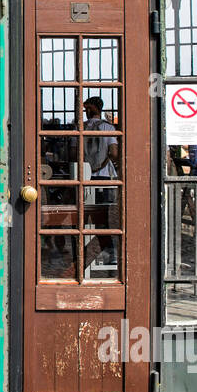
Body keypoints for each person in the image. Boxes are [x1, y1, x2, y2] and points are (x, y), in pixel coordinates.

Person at [82, 96, 120, 270]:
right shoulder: (108, 127)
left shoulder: (81, 127)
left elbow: (74, 152)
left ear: (94, 108)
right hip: (103, 177)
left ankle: (82, 256)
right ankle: (110, 255)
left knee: (82, 218)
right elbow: (114, 152)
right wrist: (101, 165)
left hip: (83, 176)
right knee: (102, 218)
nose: (86, 111)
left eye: (87, 107)